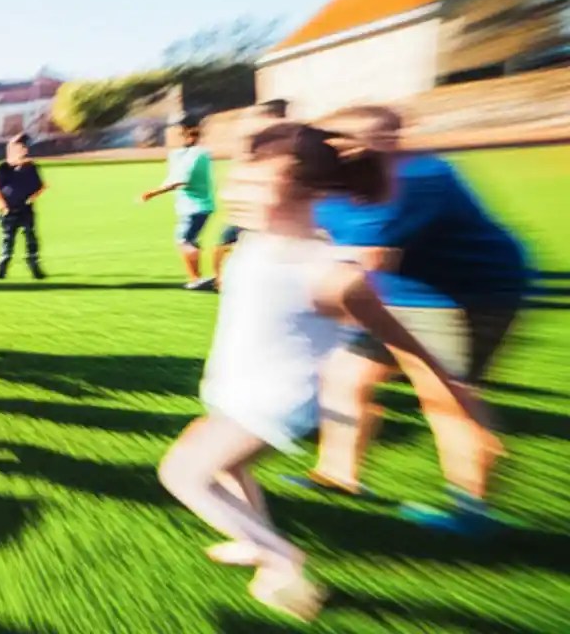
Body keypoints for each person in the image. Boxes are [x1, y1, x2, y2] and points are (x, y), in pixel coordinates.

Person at [158, 121, 473, 621]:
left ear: (305, 194)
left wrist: (446, 385)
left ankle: (280, 558)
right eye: (240, 179)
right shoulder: (259, 242)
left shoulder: (327, 270)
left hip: (276, 398)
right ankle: (253, 537)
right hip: (239, 384)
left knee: (183, 473)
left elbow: (400, 341)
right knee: (230, 466)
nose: (237, 191)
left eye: (258, 185)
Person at [297, 105, 525, 535]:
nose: (345, 149)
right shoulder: (339, 186)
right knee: (345, 379)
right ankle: (338, 476)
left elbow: (367, 259)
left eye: (363, 140)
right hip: (396, 296)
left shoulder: (420, 179)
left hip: (469, 297)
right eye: (337, 139)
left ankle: (472, 511)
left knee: (445, 397)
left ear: (393, 139)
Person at [213, 99, 289, 288]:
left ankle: (222, 279)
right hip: (248, 207)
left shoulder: (284, 142)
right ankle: (219, 279)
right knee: (225, 243)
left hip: (262, 209)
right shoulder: (256, 141)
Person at [141, 114, 216, 290]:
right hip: (195, 206)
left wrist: (151, 193)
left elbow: (180, 180)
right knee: (191, 241)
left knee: (184, 241)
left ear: (187, 131)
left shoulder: (196, 154)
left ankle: (196, 279)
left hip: (194, 207)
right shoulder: (187, 153)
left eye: (179, 130)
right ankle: (200, 277)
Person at [0, 133, 47, 279]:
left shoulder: (31, 167)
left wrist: (31, 198)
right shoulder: (4, 167)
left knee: (30, 237)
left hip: (25, 209)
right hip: (9, 210)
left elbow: (41, 186)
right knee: (8, 238)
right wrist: (1, 203)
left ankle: (33, 262)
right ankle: (4, 263)